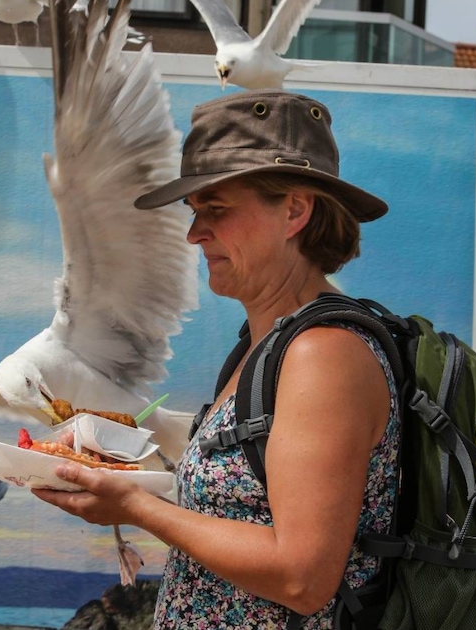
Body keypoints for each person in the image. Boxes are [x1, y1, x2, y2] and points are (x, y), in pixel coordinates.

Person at [33, 89, 400, 628]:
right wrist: (108, 457)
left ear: (295, 210)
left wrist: (134, 507)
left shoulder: (323, 354)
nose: (193, 233)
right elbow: (240, 516)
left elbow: (302, 576)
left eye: (217, 210)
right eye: (195, 210)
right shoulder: (266, 346)